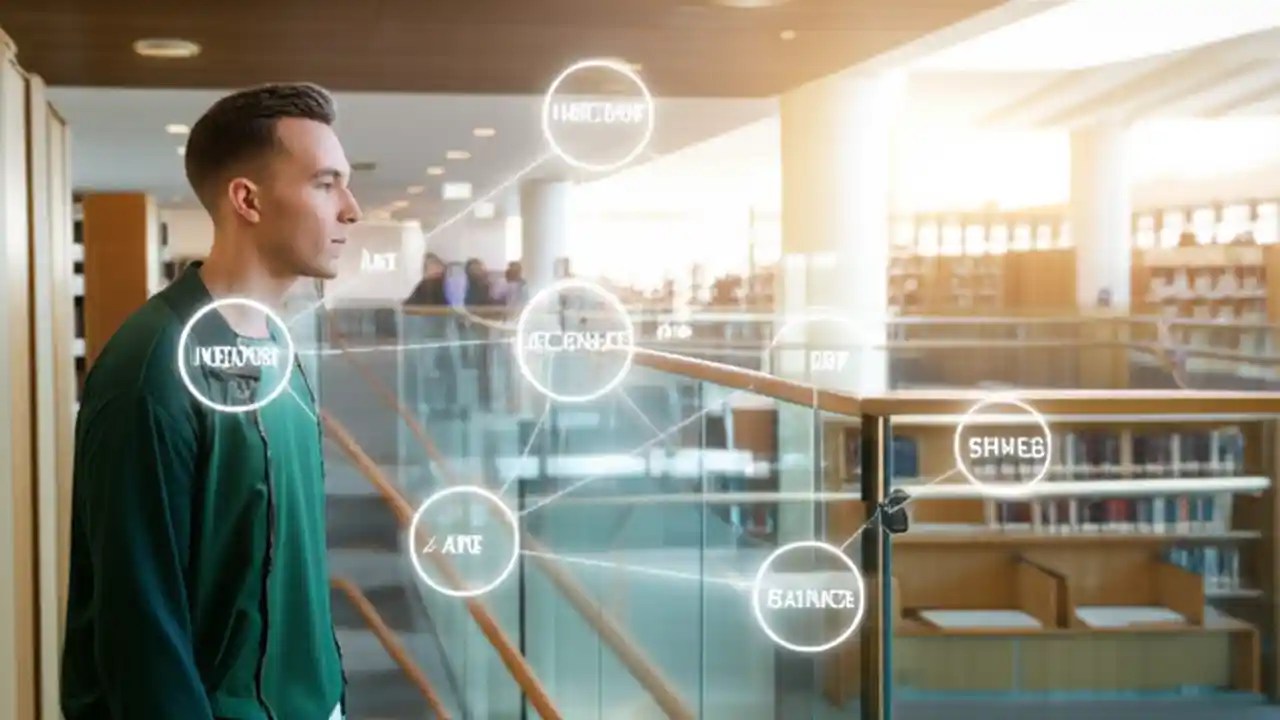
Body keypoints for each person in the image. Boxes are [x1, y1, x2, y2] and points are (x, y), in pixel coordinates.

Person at [61, 84, 361, 720]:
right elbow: (138, 628)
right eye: (326, 184)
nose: (351, 210)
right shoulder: (154, 368)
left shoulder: (275, 347)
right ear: (247, 199)